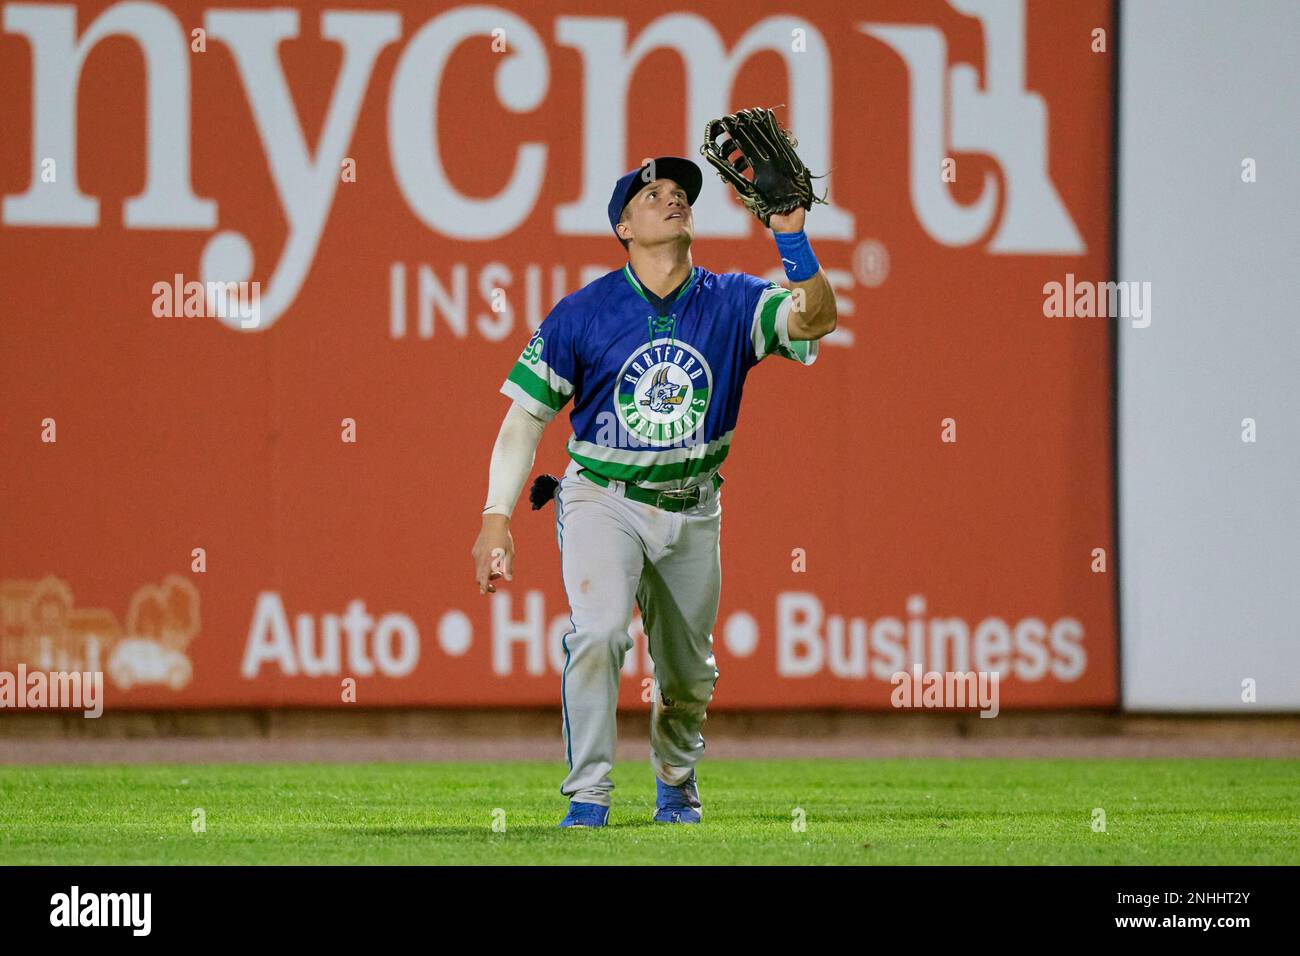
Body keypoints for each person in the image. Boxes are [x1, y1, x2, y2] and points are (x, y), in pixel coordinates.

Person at [471, 156, 837, 827]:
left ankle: (675, 777)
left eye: (680, 193)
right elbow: (524, 420)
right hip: (601, 497)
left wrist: (792, 238)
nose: (671, 199)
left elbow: (815, 322)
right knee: (600, 633)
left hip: (692, 506)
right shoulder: (584, 311)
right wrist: (496, 516)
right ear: (622, 226)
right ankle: (588, 799)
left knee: (688, 677)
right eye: (652, 194)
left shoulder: (732, 301)